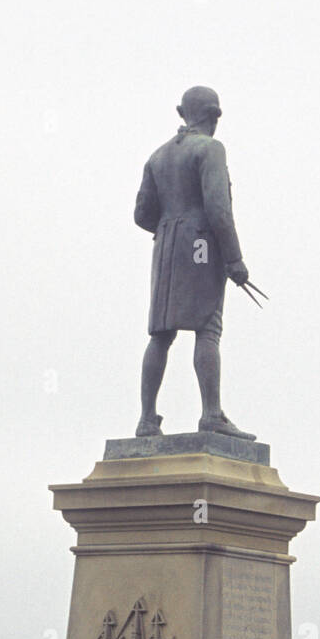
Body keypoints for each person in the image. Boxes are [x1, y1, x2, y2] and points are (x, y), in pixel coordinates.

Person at [134, 86, 254, 440]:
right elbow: (218, 208)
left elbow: (142, 215)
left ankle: (146, 419)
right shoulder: (211, 149)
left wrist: (171, 227)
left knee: (160, 333)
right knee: (208, 327)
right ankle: (211, 414)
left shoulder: (157, 156)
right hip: (201, 242)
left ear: (180, 111)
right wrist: (234, 259)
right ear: (215, 114)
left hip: (166, 244)